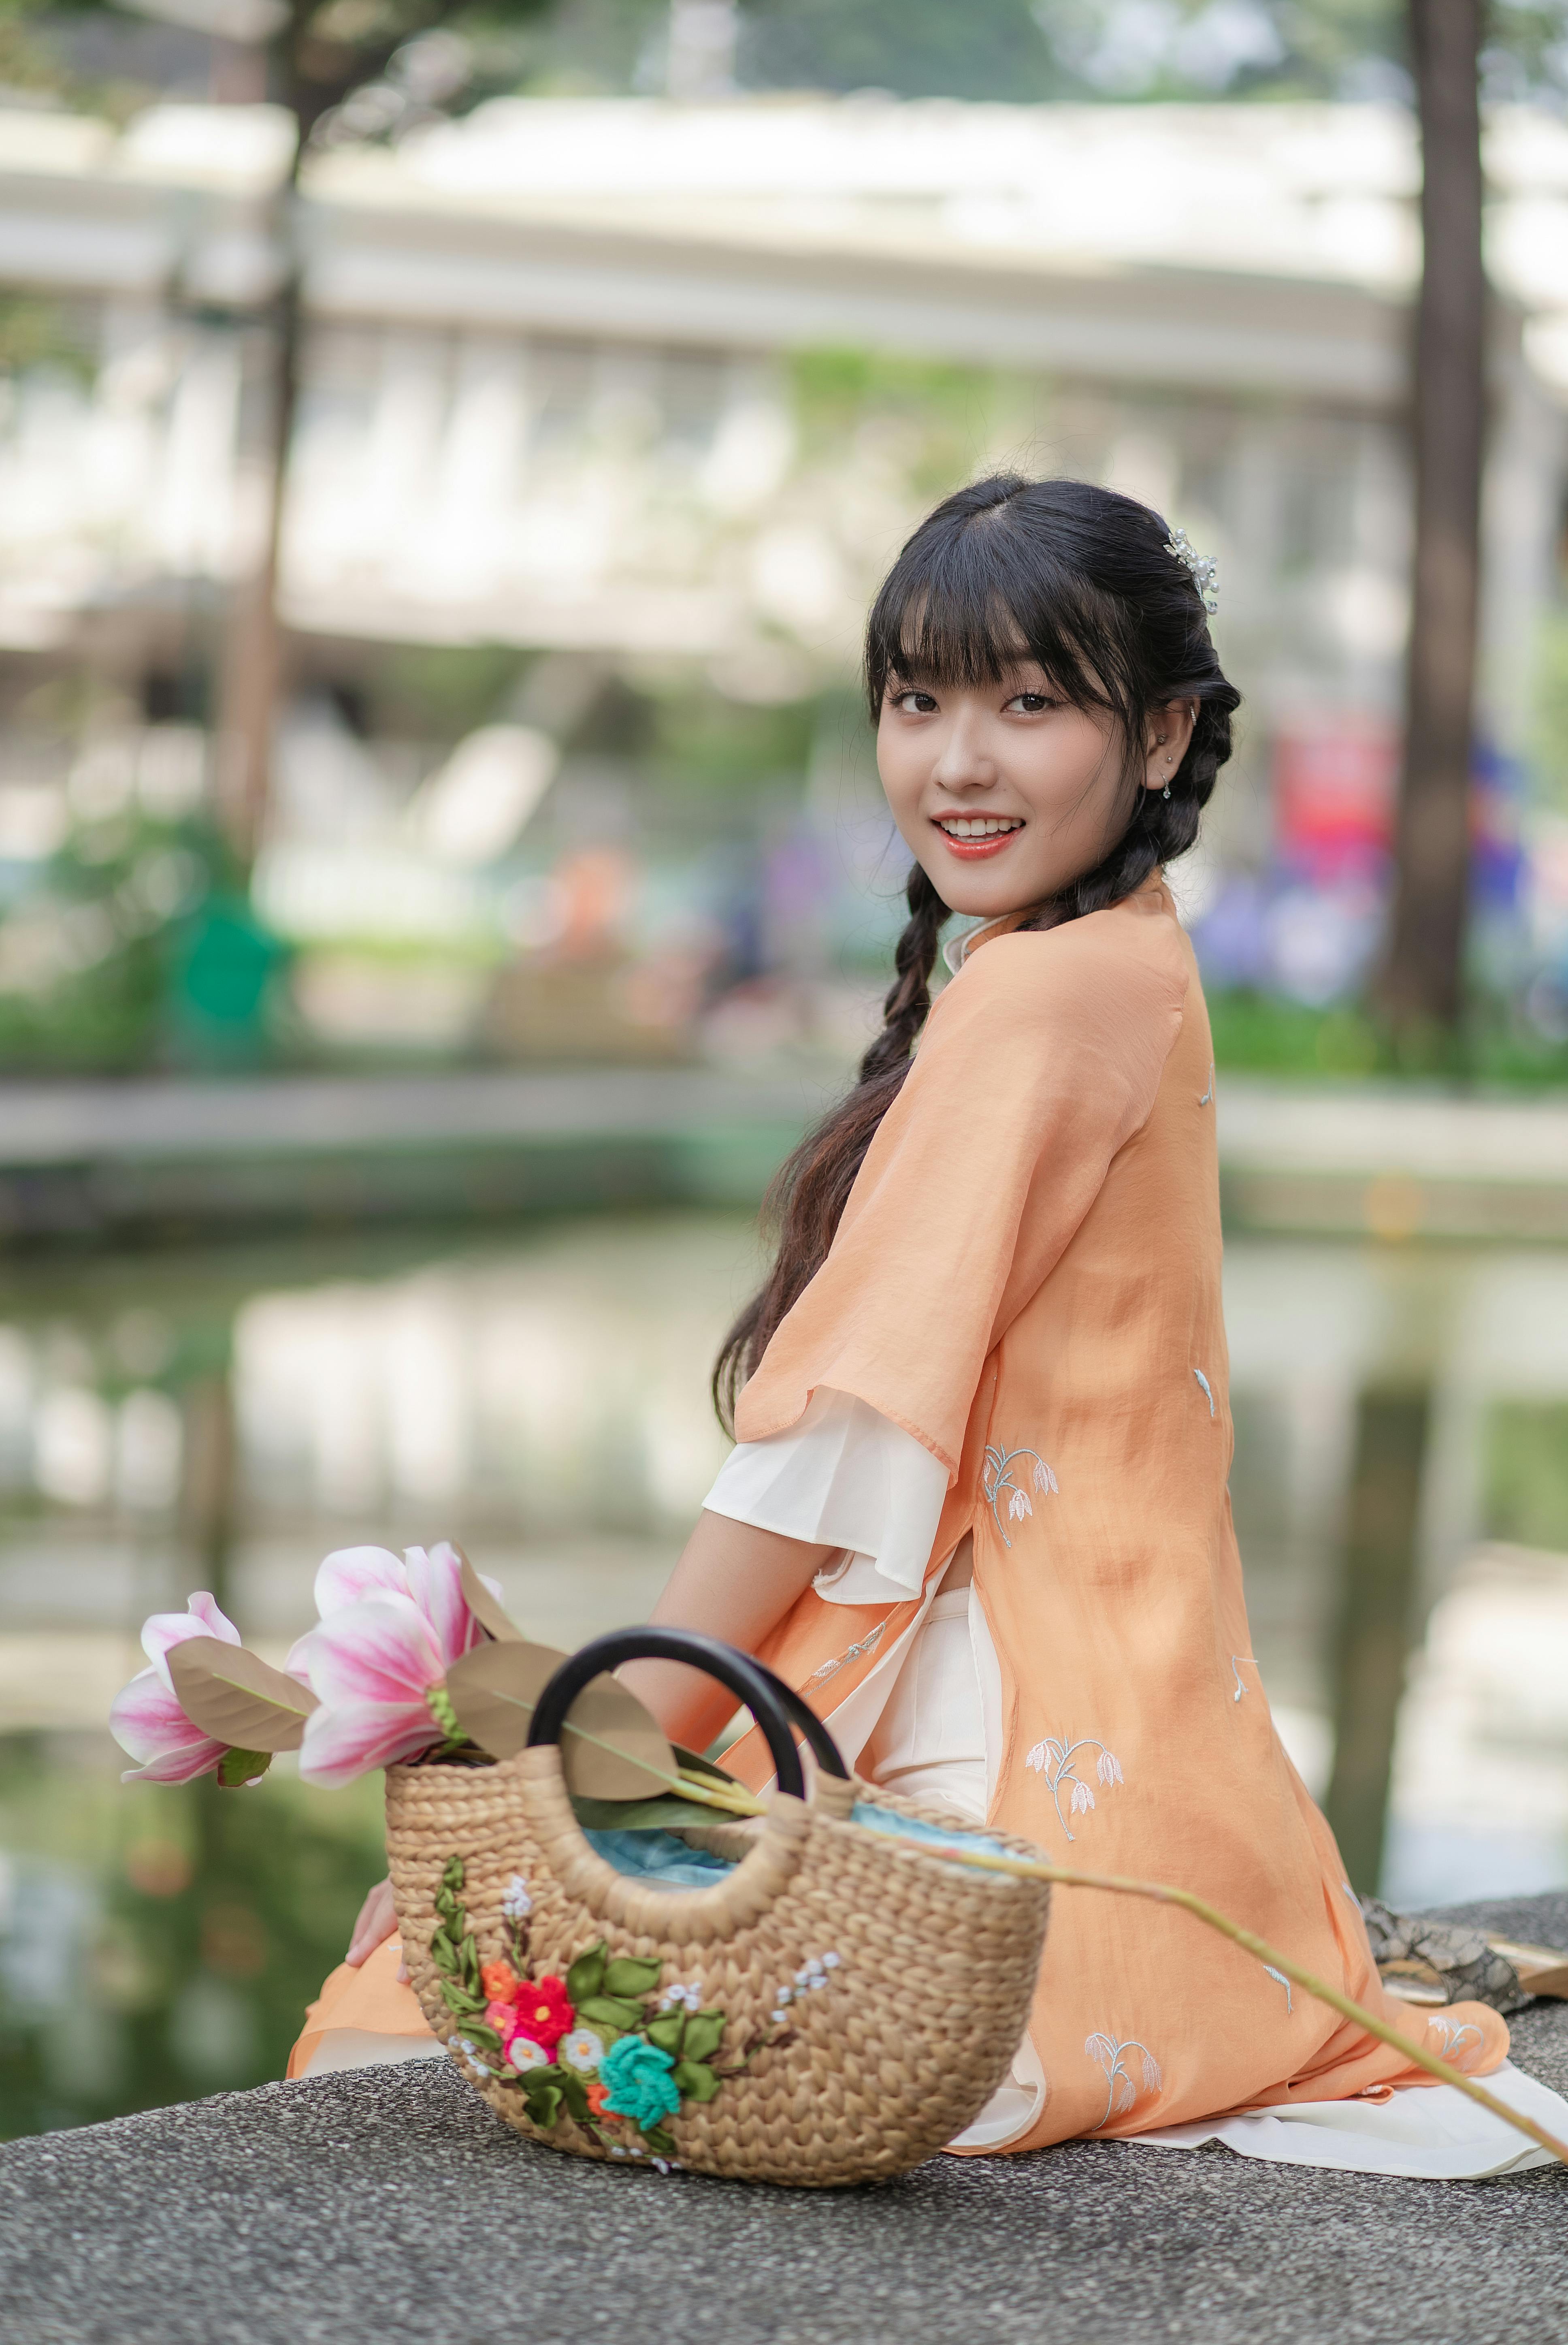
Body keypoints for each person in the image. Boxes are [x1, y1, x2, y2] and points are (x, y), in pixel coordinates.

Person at [291, 476, 1565, 2177]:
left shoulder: (1040, 994)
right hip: (1146, 1788)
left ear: (1162, 732)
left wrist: (572, 1780)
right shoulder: (1128, 953)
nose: (958, 762)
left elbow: (833, 1446)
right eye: (918, 701)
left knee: (392, 2016)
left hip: (1009, 1821)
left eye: (1028, 703)